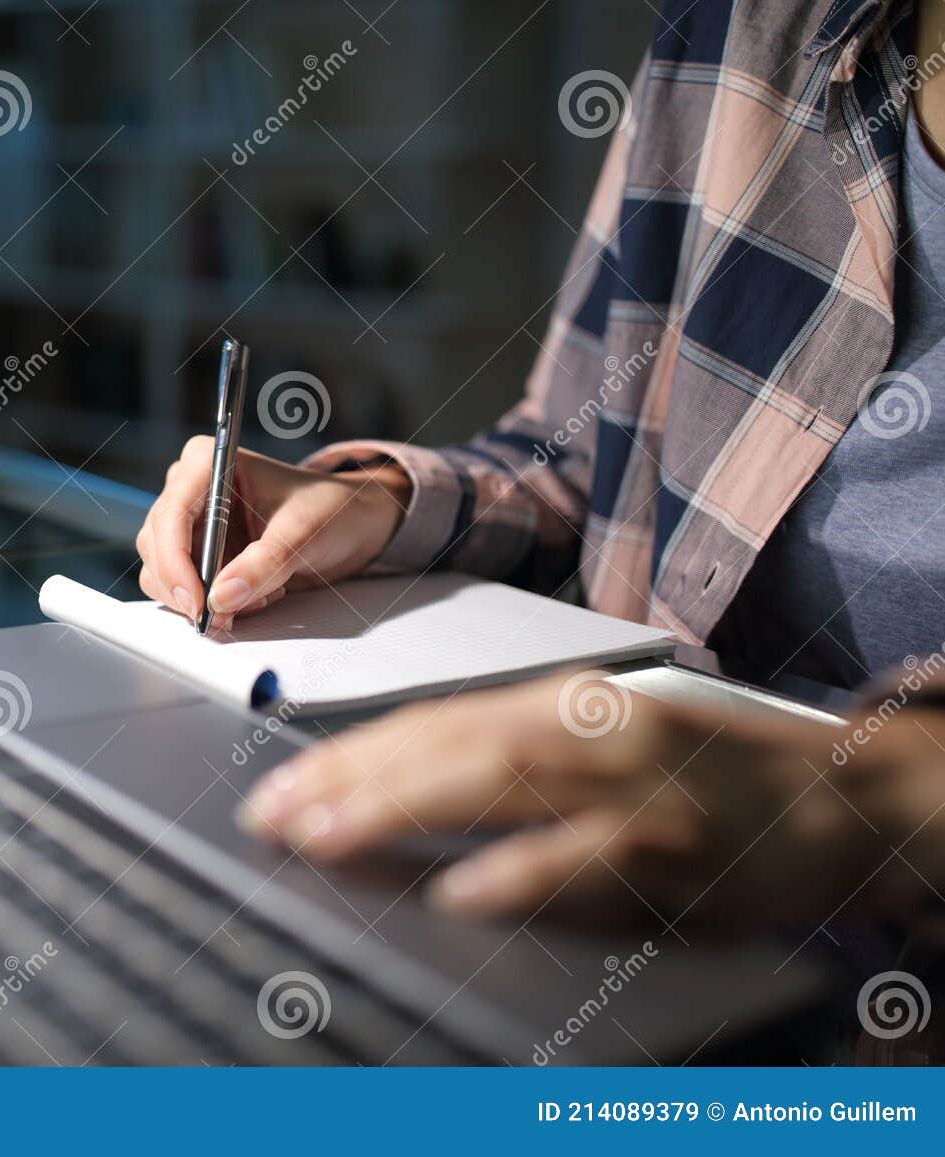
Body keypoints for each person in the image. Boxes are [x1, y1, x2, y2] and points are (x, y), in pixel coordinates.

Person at [136, 0, 945, 925]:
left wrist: (868, 798)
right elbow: (584, 461)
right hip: (620, 893)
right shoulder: (725, 34)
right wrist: (379, 503)